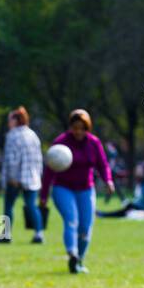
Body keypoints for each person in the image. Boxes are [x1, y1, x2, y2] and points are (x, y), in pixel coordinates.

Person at [39, 109, 114, 274]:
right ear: (70, 127)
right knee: (71, 220)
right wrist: (43, 195)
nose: (78, 131)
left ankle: (79, 260)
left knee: (86, 227)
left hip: (86, 189)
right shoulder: (61, 143)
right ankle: (72, 253)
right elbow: (49, 171)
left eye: (82, 128)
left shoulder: (94, 143)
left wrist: (108, 180)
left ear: (87, 128)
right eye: (75, 127)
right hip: (63, 188)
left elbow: (102, 165)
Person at [0, 107, 44, 244]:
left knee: (8, 206)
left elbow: (11, 160)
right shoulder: (33, 135)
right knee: (31, 206)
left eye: (10, 120)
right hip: (32, 177)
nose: (8, 123)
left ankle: (5, 235)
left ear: (16, 120)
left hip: (15, 178)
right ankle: (39, 234)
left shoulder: (12, 136)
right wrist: (38, 175)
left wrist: (12, 177)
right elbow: (39, 158)